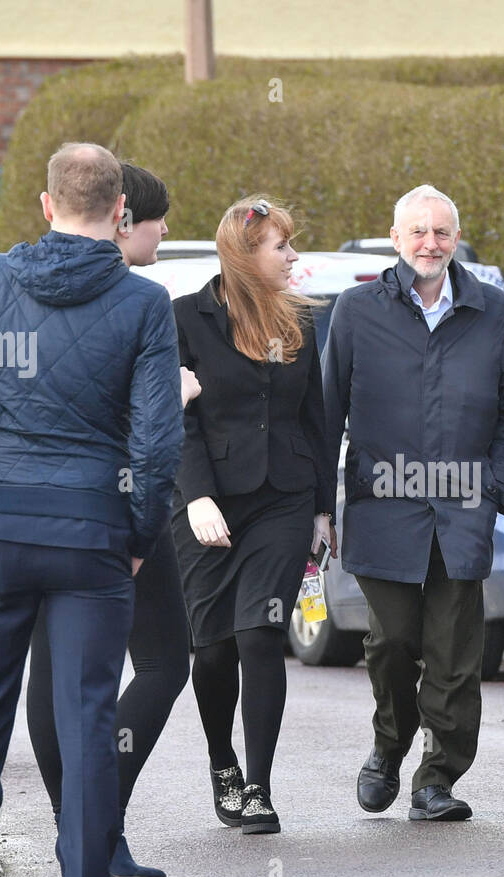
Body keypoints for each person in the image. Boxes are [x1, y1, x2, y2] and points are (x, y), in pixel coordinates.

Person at [0, 142, 182, 877]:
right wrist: (135, 536)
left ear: (44, 204)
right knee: (89, 718)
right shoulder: (144, 303)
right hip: (95, 533)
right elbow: (159, 446)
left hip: (0, 528)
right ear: (121, 214)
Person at [323, 184, 504, 822]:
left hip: (464, 509)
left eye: (441, 232)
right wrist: (318, 509)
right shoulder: (357, 311)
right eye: (417, 232)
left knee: (453, 650)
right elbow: (328, 409)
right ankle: (390, 746)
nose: (430, 244)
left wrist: (497, 485)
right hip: (384, 507)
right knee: (391, 642)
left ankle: (436, 778)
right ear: (396, 240)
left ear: (455, 238)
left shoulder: (491, 310)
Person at [24, 162, 199, 877]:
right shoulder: (139, 298)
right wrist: (178, 396)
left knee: (52, 671)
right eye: (158, 218)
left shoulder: (17, 281)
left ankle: (84, 830)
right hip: (118, 508)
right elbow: (144, 429)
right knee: (162, 662)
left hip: (30, 505)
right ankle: (96, 828)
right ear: (124, 218)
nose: (164, 231)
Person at [172, 195, 335, 835]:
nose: (292, 256)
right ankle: (224, 766)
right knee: (212, 650)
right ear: (245, 256)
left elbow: (316, 420)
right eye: (280, 246)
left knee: (260, 633)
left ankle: (261, 786)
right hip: (208, 502)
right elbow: (174, 416)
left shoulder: (300, 324)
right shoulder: (185, 318)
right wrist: (196, 496)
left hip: (283, 499)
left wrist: (323, 509)